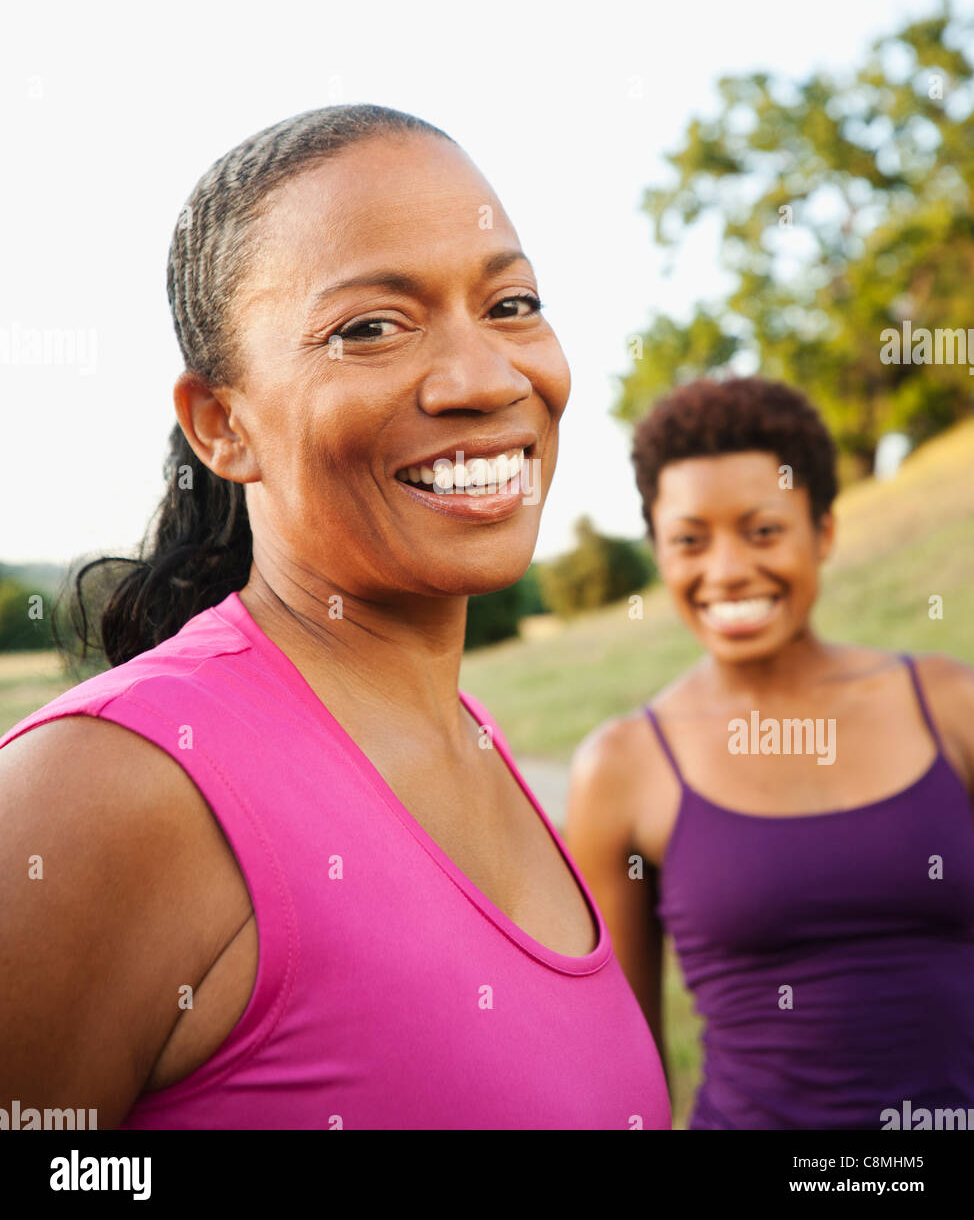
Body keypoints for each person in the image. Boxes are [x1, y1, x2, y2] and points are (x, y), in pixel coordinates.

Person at [0, 104, 670, 1131]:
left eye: (511, 303)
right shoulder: (108, 787)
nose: (486, 378)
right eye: (369, 327)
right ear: (222, 424)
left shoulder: (479, 747)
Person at [564, 375, 974, 1129]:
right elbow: (627, 1070)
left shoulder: (952, 706)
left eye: (762, 531)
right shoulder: (622, 768)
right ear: (658, 550)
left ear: (823, 531)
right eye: (690, 540)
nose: (726, 572)